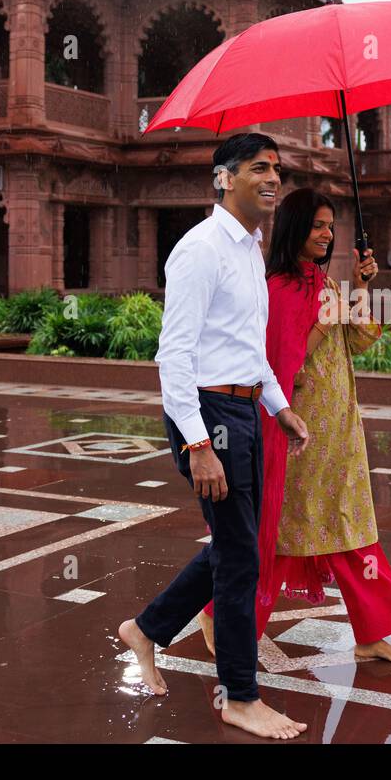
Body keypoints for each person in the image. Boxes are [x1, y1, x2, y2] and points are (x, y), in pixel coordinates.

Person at [117, 133, 311, 740]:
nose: (274, 178)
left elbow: (247, 347)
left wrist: (278, 408)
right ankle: (239, 695)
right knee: (239, 557)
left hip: (244, 412)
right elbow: (174, 356)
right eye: (260, 168)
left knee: (237, 545)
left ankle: (148, 629)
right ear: (224, 178)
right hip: (209, 416)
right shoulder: (200, 249)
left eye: (278, 169)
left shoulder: (250, 248)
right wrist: (198, 445)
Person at [198, 188, 391, 663]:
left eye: (330, 226)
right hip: (296, 434)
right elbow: (281, 366)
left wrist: (359, 289)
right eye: (317, 225)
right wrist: (325, 317)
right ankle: (219, 613)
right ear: (296, 228)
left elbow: (358, 342)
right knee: (280, 532)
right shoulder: (276, 287)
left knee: (350, 527)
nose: (326, 234)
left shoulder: (328, 284)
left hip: (339, 429)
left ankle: (372, 632)